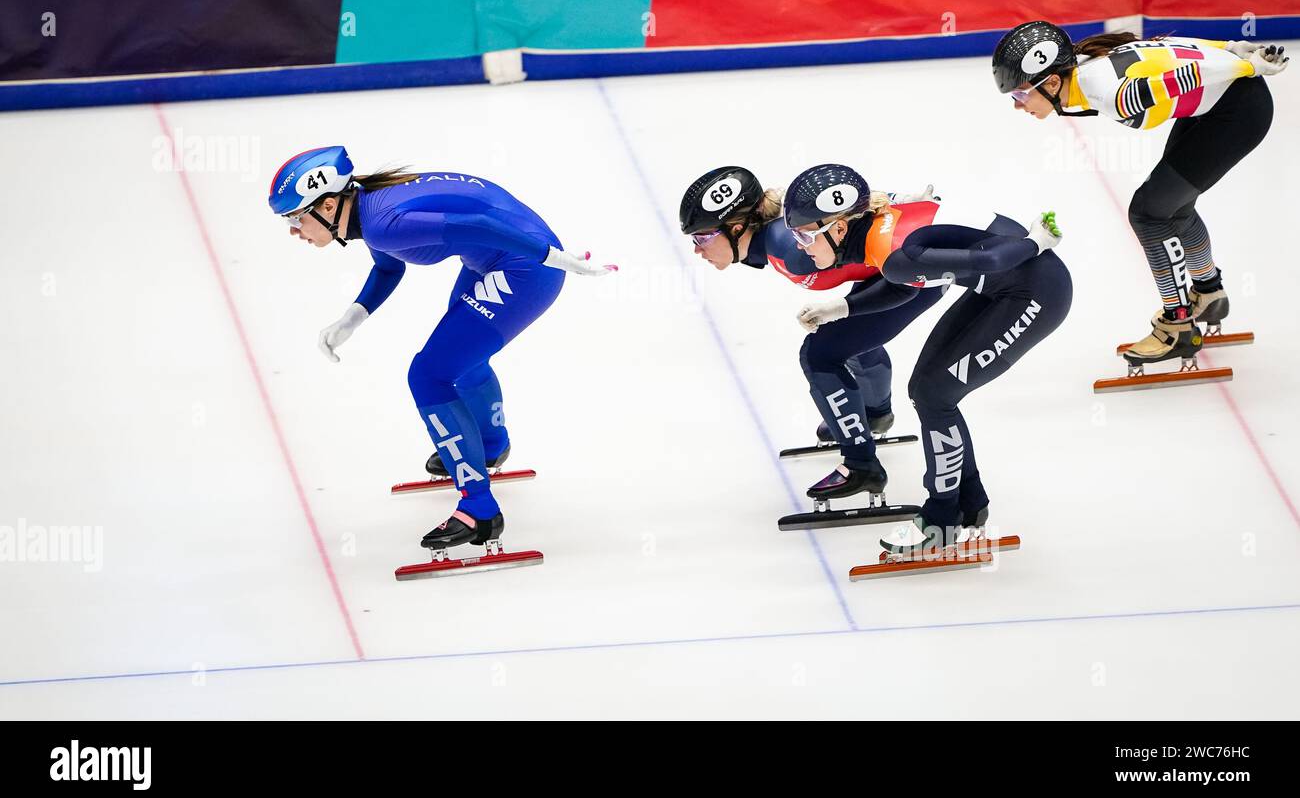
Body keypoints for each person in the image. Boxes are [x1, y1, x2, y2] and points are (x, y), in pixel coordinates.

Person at [268, 146, 615, 554]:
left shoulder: (384, 224)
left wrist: (554, 258)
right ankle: (489, 445)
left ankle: (479, 511)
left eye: (295, 218)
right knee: (460, 361)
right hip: (499, 257)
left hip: (526, 266)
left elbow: (481, 223)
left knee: (429, 375)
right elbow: (388, 266)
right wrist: (352, 318)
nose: (294, 231)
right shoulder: (367, 211)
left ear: (328, 205)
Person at [783, 163, 1072, 554]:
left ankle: (942, 520)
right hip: (1002, 290)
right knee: (927, 390)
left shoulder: (893, 251)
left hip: (1037, 293)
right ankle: (969, 505)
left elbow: (990, 261)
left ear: (837, 228)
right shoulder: (881, 231)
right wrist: (843, 308)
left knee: (935, 394)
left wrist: (1037, 240)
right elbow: (906, 283)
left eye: (803, 234)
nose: (799, 245)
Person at [993, 20, 1286, 367]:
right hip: (1217, 105)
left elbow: (1182, 77)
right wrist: (1231, 46)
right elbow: (1167, 49)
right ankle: (1208, 293)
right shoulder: (1084, 60)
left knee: (1148, 213)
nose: (1017, 105)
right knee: (1172, 207)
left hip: (1238, 113)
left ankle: (1177, 327)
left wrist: (1245, 62)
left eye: (1020, 94)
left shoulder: (1109, 93)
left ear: (1053, 82)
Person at [680, 166, 944, 506]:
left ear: (735, 228)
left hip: (915, 279)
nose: (697, 250)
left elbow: (853, 214)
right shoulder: (777, 244)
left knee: (819, 353)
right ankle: (875, 413)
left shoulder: (788, 248)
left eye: (701, 237)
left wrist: (905, 205)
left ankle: (862, 465)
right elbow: (843, 208)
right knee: (847, 339)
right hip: (902, 271)